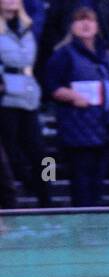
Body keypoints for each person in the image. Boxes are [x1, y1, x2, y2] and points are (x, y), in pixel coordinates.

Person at [45, 5, 109, 207]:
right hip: (76, 127)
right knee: (81, 184)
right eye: (80, 20)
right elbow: (51, 86)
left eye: (90, 20)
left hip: (102, 126)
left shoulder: (106, 54)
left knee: (98, 185)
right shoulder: (63, 53)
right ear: (71, 26)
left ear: (97, 25)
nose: (85, 24)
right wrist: (71, 95)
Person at [0, 0, 50, 206]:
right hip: (6, 98)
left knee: (45, 157)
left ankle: (48, 195)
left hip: (29, 95)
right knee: (11, 154)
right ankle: (20, 193)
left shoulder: (27, 27)